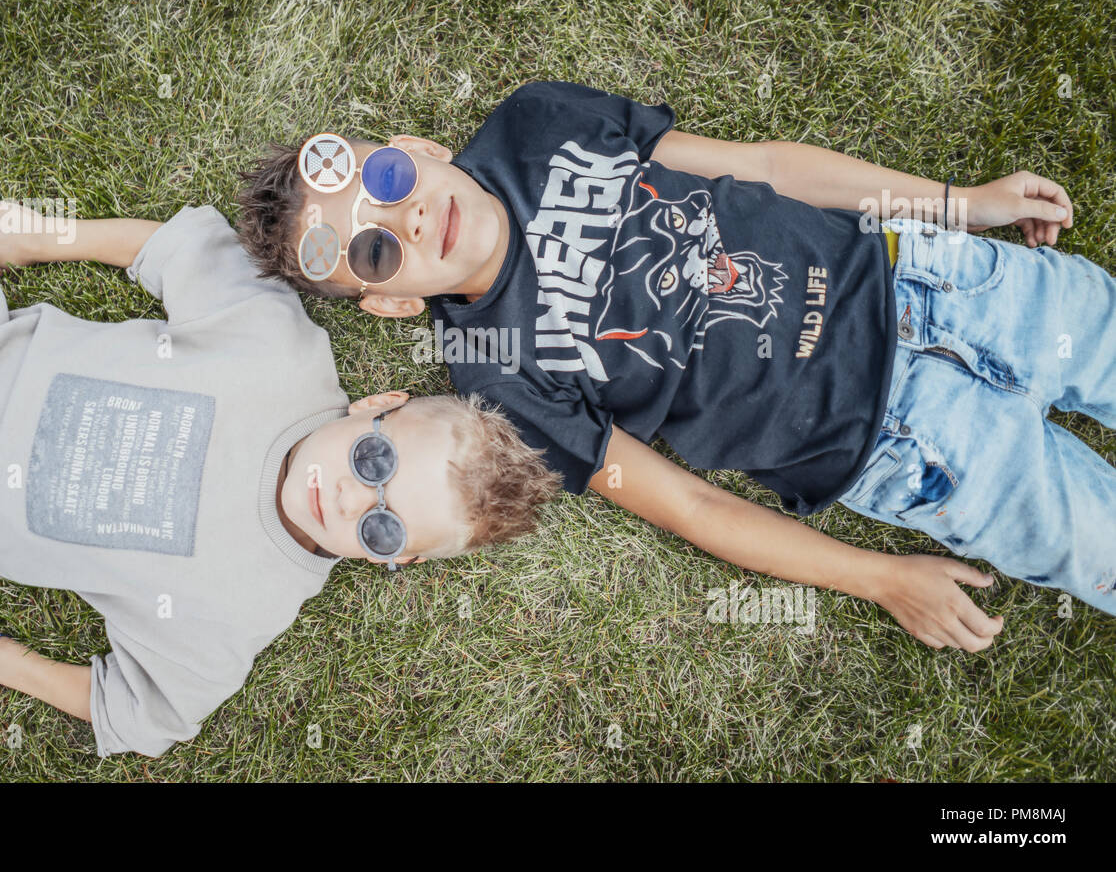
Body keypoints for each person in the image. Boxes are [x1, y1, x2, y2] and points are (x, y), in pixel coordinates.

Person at [233, 80, 1116, 652]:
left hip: (929, 274)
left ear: (415, 148)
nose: (411, 221)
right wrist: (881, 578)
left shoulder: (534, 121)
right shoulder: (491, 375)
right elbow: (691, 505)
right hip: (899, 445)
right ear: (390, 303)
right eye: (377, 253)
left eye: (387, 183)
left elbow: (763, 166)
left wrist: (961, 204)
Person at [0, 200, 560, 756]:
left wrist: (0, 662)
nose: (346, 497)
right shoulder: (282, 351)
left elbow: (140, 715)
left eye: (383, 523)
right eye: (376, 462)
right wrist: (47, 237)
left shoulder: (237, 615)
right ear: (378, 406)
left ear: (395, 558)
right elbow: (176, 249)